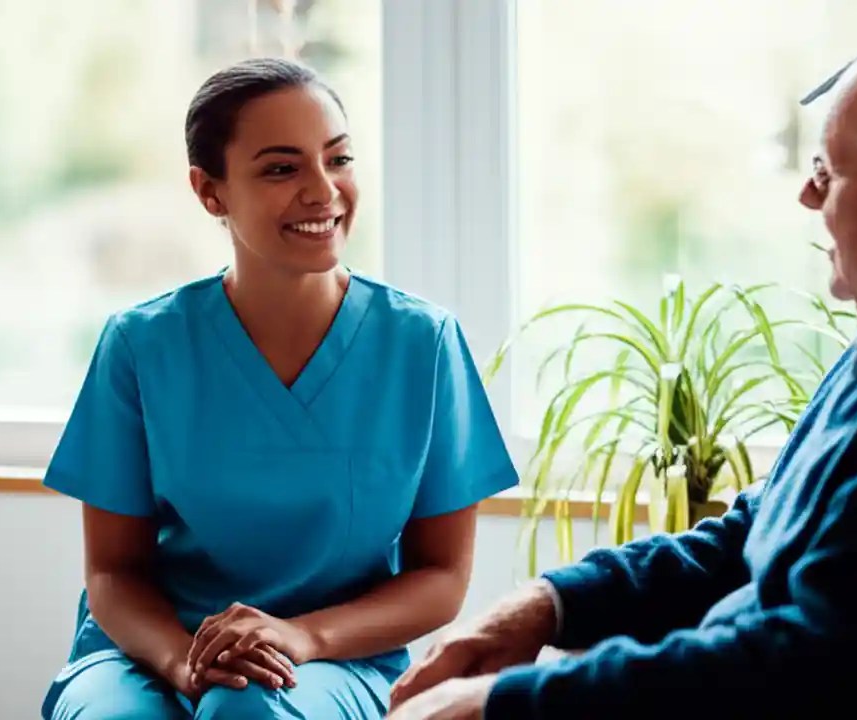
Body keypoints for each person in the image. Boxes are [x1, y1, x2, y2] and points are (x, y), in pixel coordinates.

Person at [388, 21, 857, 719]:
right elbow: (755, 533)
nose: (805, 195)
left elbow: (815, 665)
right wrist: (551, 605)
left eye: (829, 172)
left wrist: (502, 702)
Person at [39, 57, 518, 720]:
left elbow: (441, 579)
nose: (323, 191)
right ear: (211, 192)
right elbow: (114, 575)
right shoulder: (142, 346)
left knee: (248, 712)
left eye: (339, 159)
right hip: (149, 652)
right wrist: (186, 663)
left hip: (337, 658)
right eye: (281, 168)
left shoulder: (421, 345)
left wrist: (303, 636)